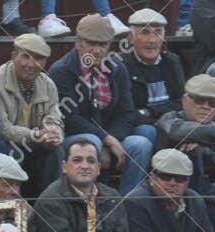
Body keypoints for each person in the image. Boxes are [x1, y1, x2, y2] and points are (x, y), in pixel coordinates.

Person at [47, 14, 152, 194]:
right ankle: (88, 197)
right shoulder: (62, 70)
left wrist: (112, 140)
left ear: (109, 45)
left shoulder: (117, 68)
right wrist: (105, 140)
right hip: (75, 137)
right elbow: (69, 118)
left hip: (112, 135)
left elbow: (126, 111)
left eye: (102, 44)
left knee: (141, 143)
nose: (97, 50)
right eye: (91, 43)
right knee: (92, 142)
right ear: (78, 43)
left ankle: (129, 201)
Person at [31, 135, 130, 232]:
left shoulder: (113, 196)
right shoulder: (50, 201)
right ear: (64, 167)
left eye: (91, 161)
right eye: (77, 160)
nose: (85, 166)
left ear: (98, 168)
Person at [0, 32, 62, 193]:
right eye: (26, 57)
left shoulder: (48, 84)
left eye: (39, 59)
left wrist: (54, 134)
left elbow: (55, 118)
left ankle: (52, 202)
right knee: (8, 151)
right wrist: (37, 135)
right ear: (13, 56)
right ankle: (11, 203)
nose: (32, 64)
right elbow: (1, 128)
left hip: (36, 143)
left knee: (56, 150)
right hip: (7, 143)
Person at [157, 73, 215, 197]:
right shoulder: (169, 119)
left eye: (212, 103)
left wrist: (203, 151)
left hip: (209, 196)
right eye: (199, 100)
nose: (205, 106)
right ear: (185, 100)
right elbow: (173, 131)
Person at [124, 8, 186, 137]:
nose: (152, 40)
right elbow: (126, 112)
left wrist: (150, 111)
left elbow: (182, 102)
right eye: (145, 32)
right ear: (131, 37)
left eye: (158, 32)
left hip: (170, 122)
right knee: (148, 131)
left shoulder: (172, 61)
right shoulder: (121, 65)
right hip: (139, 127)